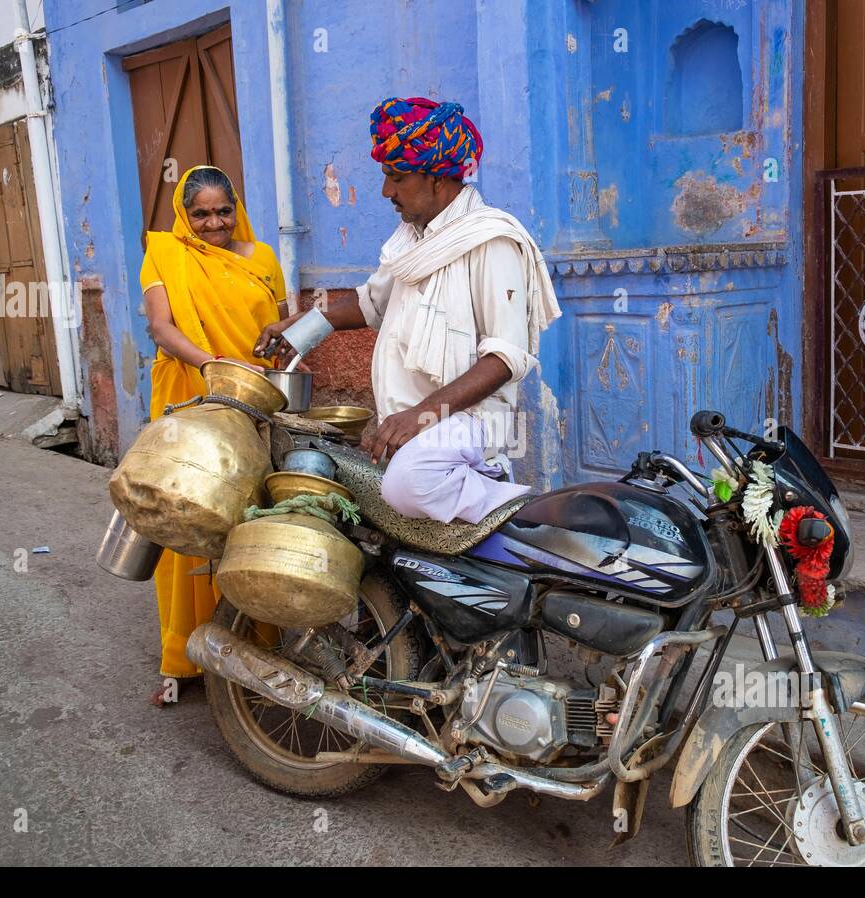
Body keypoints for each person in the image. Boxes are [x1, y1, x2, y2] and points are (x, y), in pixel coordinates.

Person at [255, 97, 559, 524]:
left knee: (405, 485)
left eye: (396, 177)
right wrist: (303, 327)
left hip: (468, 422)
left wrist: (422, 415)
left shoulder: (490, 241)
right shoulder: (413, 237)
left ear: (438, 179)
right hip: (415, 425)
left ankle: (524, 516)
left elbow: (506, 358)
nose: (386, 192)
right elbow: (371, 301)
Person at [140, 165, 287, 706]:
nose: (213, 223)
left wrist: (269, 364)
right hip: (192, 394)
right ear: (184, 215)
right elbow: (162, 328)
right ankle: (181, 661)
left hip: (253, 402)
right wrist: (215, 368)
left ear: (236, 210)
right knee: (186, 518)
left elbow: (282, 325)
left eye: (223, 211)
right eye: (200, 213)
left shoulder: (263, 259)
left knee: (250, 520)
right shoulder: (164, 254)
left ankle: (256, 648)